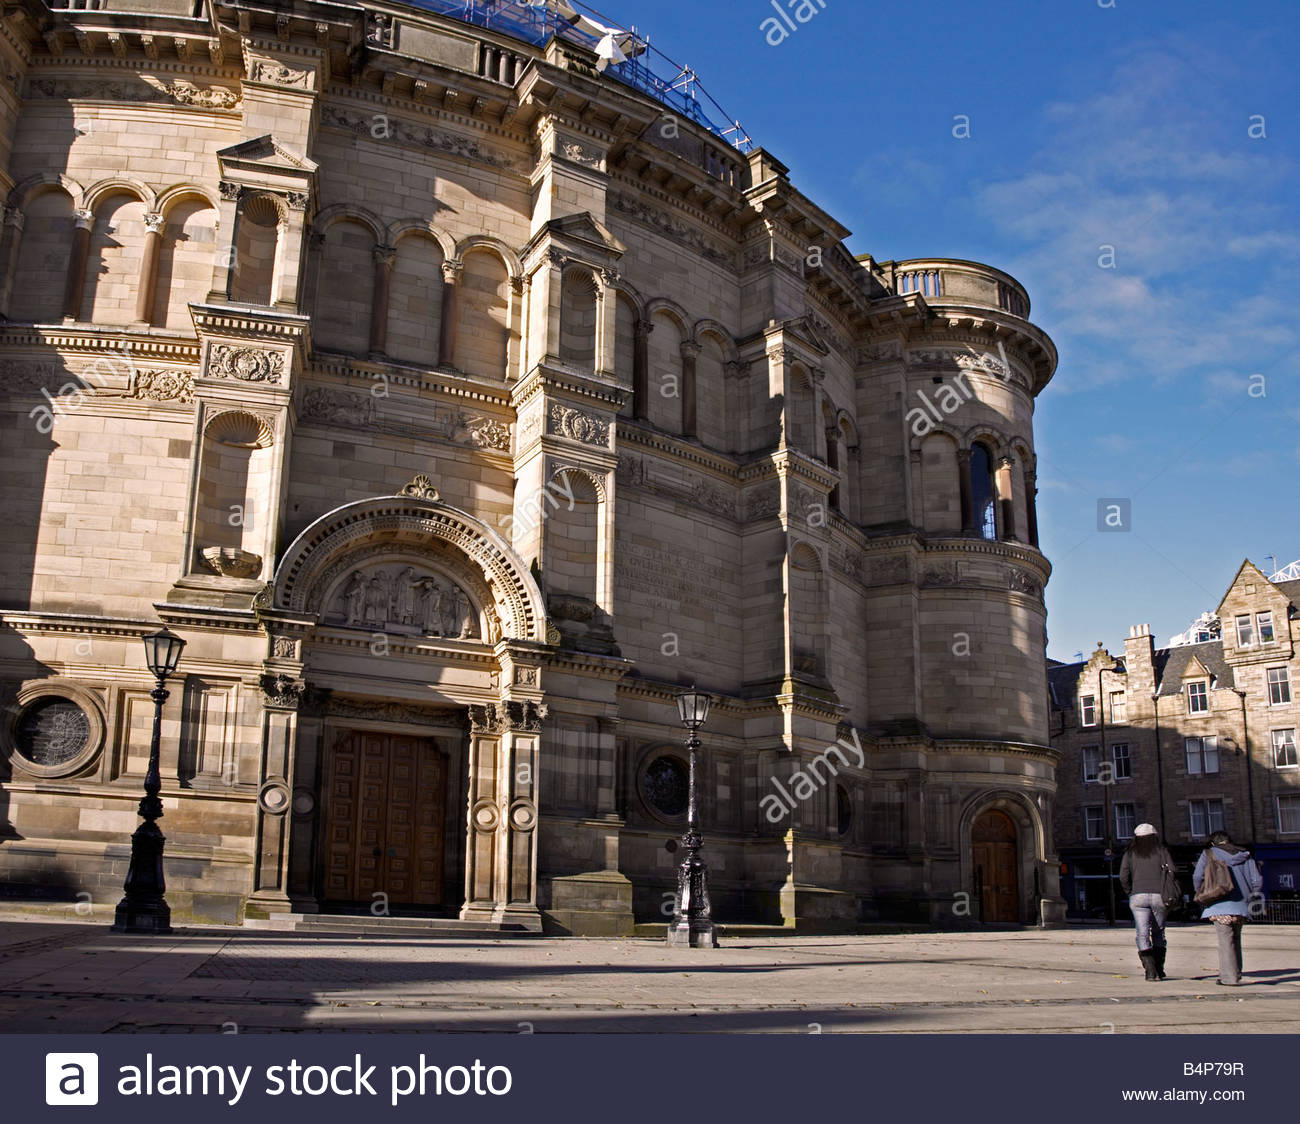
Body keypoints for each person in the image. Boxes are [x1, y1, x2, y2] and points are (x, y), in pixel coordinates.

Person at [1193, 831, 1264, 986]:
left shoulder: (1208, 854)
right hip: (1241, 905)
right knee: (1236, 939)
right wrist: (1250, 895)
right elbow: (1257, 881)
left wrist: (1202, 894)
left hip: (1218, 903)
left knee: (1225, 941)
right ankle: (1235, 974)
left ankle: (1229, 978)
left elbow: (1197, 877)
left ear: (1213, 843)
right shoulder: (1245, 855)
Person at [1118, 823, 1175, 981]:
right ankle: (1160, 969)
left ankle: (1150, 971)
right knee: (1159, 932)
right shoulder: (1162, 851)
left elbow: (1123, 875)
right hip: (1159, 895)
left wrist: (1130, 891)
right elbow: (1172, 871)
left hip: (1138, 896)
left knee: (1142, 933)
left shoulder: (1130, 853)